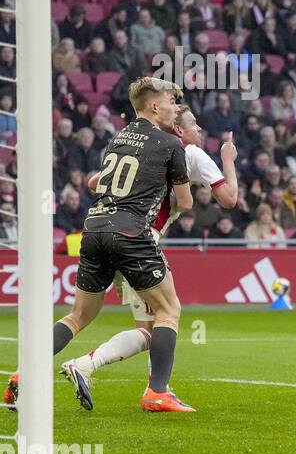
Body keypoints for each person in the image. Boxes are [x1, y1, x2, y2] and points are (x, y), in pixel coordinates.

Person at [58, 103, 239, 402]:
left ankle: (51, 369)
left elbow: (93, 183)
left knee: (138, 327)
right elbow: (229, 199)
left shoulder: (142, 147)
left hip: (103, 233)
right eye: (194, 125)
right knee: (164, 317)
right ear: (179, 129)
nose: (199, 130)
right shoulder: (189, 152)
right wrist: (227, 159)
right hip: (139, 242)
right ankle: (128, 381)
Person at [37, 79, 192, 413]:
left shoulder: (117, 139)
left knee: (78, 316)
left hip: (93, 228)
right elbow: (185, 202)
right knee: (169, 310)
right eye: (169, 102)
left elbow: (97, 183)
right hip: (131, 234)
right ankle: (157, 392)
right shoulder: (170, 144)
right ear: (154, 106)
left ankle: (23, 374)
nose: (174, 108)